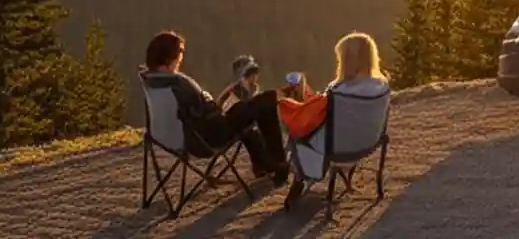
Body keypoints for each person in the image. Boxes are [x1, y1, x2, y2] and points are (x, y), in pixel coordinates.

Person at [141, 31, 289, 186]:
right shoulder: (178, 82)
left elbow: (194, 110)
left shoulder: (152, 80)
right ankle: (278, 163)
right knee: (267, 99)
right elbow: (208, 110)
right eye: (180, 52)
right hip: (208, 137)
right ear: (171, 56)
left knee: (244, 110)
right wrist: (218, 105)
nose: (181, 57)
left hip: (175, 138)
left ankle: (264, 163)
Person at [277, 31, 390, 205]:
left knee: (296, 131)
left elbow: (311, 118)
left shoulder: (338, 91)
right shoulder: (381, 85)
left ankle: (299, 176)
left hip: (338, 149)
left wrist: (286, 103)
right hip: (368, 143)